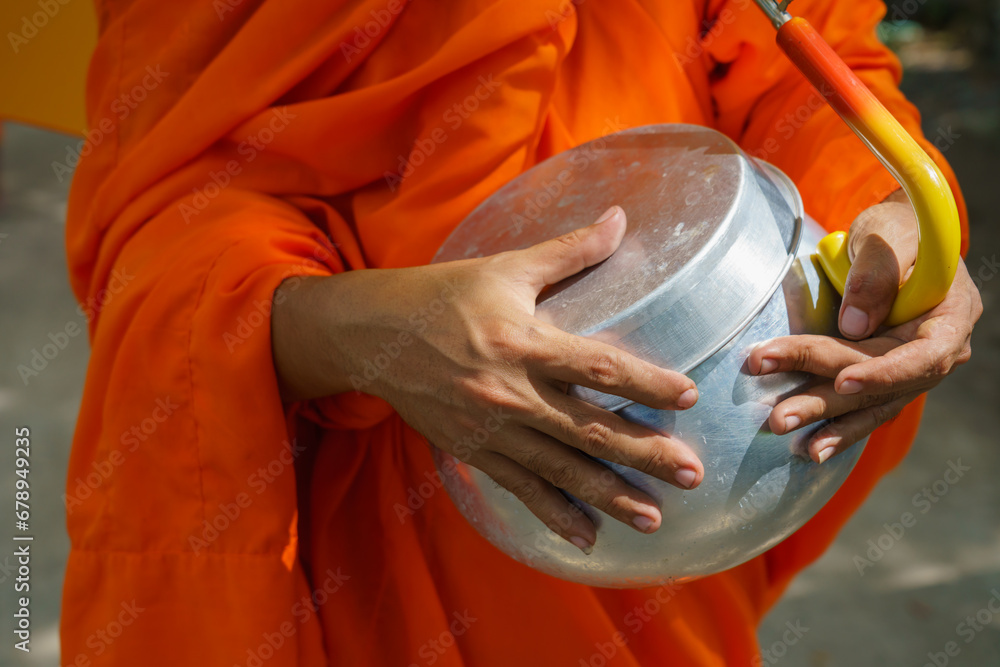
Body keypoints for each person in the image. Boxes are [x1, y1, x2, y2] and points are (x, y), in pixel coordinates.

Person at [61, 0, 981, 664]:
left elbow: (804, 55)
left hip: (676, 465)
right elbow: (165, 230)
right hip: (356, 516)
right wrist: (361, 335)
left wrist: (889, 209)